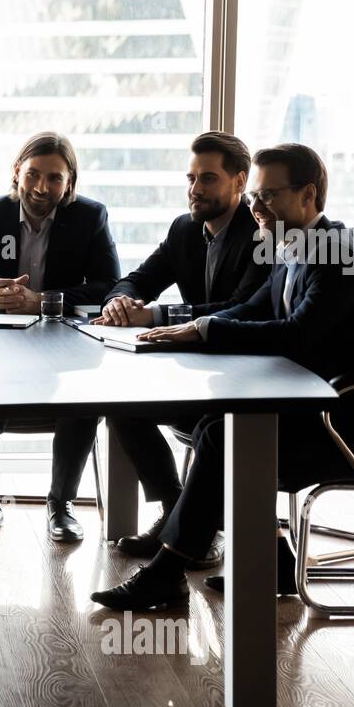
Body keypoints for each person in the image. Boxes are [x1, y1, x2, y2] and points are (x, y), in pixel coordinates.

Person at [91, 143, 354, 610]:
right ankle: (272, 561)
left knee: (225, 437)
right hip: (314, 405)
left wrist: (203, 329)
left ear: (308, 195)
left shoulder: (334, 255)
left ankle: (167, 573)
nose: (257, 206)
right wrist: (188, 330)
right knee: (216, 428)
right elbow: (253, 309)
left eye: (268, 196)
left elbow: (296, 335)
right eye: (255, 198)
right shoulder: (294, 246)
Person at [96, 131, 270, 569]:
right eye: (191, 178)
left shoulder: (263, 232)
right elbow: (136, 279)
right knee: (120, 400)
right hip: (196, 371)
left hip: (245, 379)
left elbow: (240, 309)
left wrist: (156, 316)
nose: (195, 190)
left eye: (208, 179)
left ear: (239, 181)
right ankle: (180, 517)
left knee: (207, 427)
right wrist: (120, 301)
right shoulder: (185, 229)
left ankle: (192, 529)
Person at [0, 131, 120, 542]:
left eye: (54, 178)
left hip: (63, 344)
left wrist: (45, 299)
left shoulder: (90, 217)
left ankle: (61, 502)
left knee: (85, 401)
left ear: (69, 182)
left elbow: (110, 285)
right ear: (17, 172)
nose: (41, 187)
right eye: (33, 174)